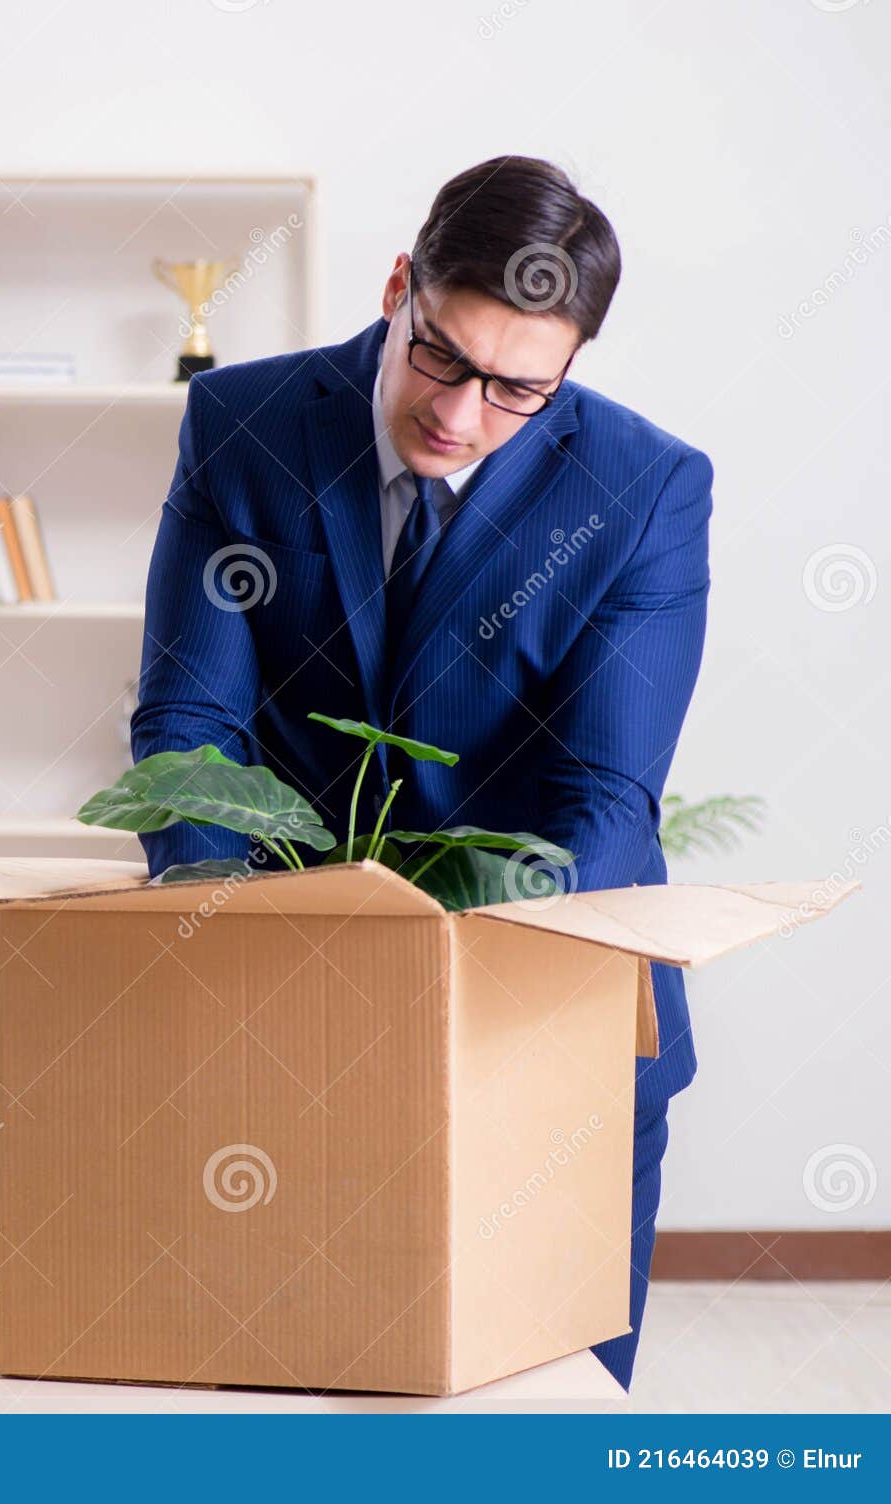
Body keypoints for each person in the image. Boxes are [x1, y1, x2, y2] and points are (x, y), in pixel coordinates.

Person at [133, 156, 712, 1390]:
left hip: (542, 1017)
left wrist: (444, 972)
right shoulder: (242, 425)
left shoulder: (642, 490)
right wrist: (246, 938)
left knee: (545, 1413)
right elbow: (190, 727)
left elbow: (605, 800)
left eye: (517, 389)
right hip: (281, 1009)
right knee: (287, 1394)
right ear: (400, 286)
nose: (459, 415)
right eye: (442, 356)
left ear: (567, 373)